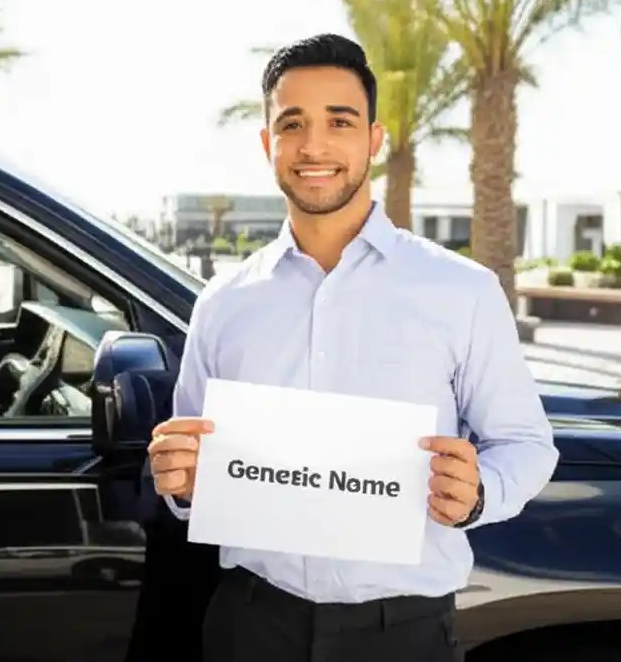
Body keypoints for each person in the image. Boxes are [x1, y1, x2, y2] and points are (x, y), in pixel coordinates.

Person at [146, 33, 559, 662]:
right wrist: (180, 482)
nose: (314, 146)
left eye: (339, 122)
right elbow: (195, 470)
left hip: (403, 635)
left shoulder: (461, 290)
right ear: (268, 145)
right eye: (292, 124)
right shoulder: (225, 302)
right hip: (252, 626)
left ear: (373, 139)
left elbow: (527, 447)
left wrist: (480, 494)